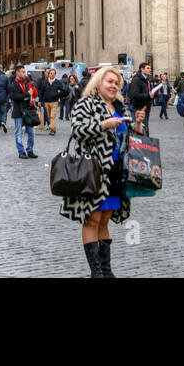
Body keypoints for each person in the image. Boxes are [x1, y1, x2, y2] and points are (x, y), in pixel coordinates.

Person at [61, 66, 145, 278]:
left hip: (116, 173)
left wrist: (139, 126)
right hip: (94, 171)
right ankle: (96, 272)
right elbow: (77, 131)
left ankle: (107, 271)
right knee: (92, 219)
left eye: (116, 83)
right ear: (98, 83)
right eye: (109, 81)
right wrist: (104, 124)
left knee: (105, 220)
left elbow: (129, 138)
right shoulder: (85, 103)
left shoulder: (120, 106)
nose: (113, 86)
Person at [10, 65, 40, 159]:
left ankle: (30, 150)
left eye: (24, 71)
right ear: (17, 72)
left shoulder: (26, 83)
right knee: (18, 132)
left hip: (28, 111)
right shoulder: (13, 85)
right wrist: (27, 94)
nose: (24, 73)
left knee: (31, 132)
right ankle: (21, 151)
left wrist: (31, 98)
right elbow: (15, 97)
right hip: (18, 111)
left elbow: (31, 94)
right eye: (23, 72)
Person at [126, 62, 153, 135]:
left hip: (146, 108)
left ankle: (146, 144)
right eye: (148, 68)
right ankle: (144, 145)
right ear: (142, 69)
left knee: (146, 128)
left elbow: (148, 94)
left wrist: (155, 94)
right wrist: (148, 95)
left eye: (150, 68)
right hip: (139, 108)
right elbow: (134, 95)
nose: (150, 70)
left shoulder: (147, 80)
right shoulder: (136, 80)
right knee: (142, 129)